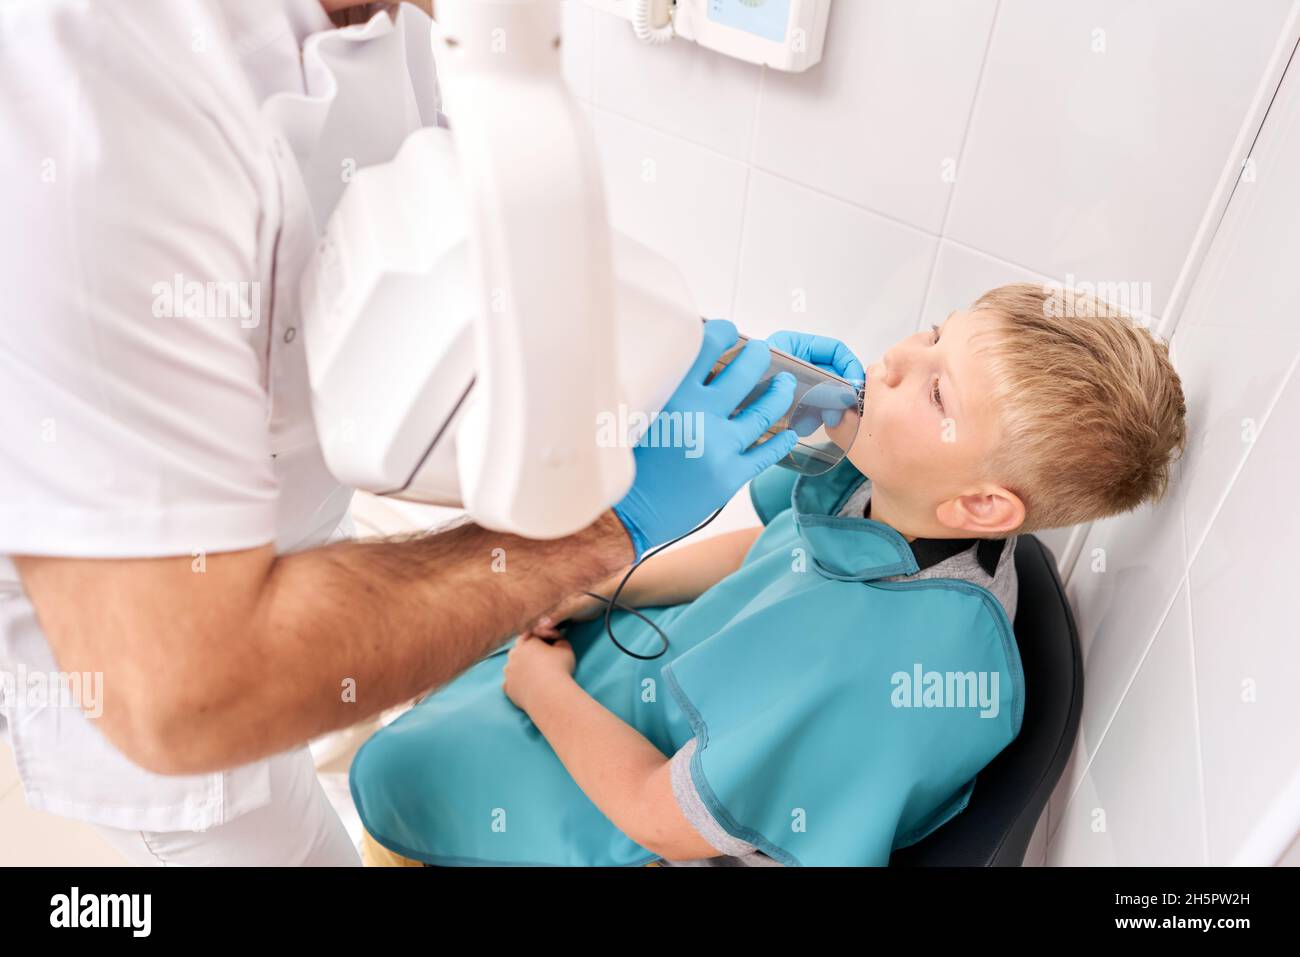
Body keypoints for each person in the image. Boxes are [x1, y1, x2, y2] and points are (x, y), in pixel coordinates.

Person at [0, 0, 862, 866]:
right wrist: (607, 529)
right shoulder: (83, 100)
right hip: (176, 686)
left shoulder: (404, 25)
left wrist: (649, 366)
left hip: (293, 540)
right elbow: (190, 687)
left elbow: (452, 272)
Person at [350, 283, 1188, 866]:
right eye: (932, 333)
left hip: (676, 827)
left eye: (938, 394)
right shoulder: (898, 495)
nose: (894, 357)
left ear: (982, 506)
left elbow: (661, 818)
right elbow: (774, 549)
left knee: (403, 778)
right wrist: (609, 585)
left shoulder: (895, 669)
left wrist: (543, 690)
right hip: (681, 699)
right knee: (477, 658)